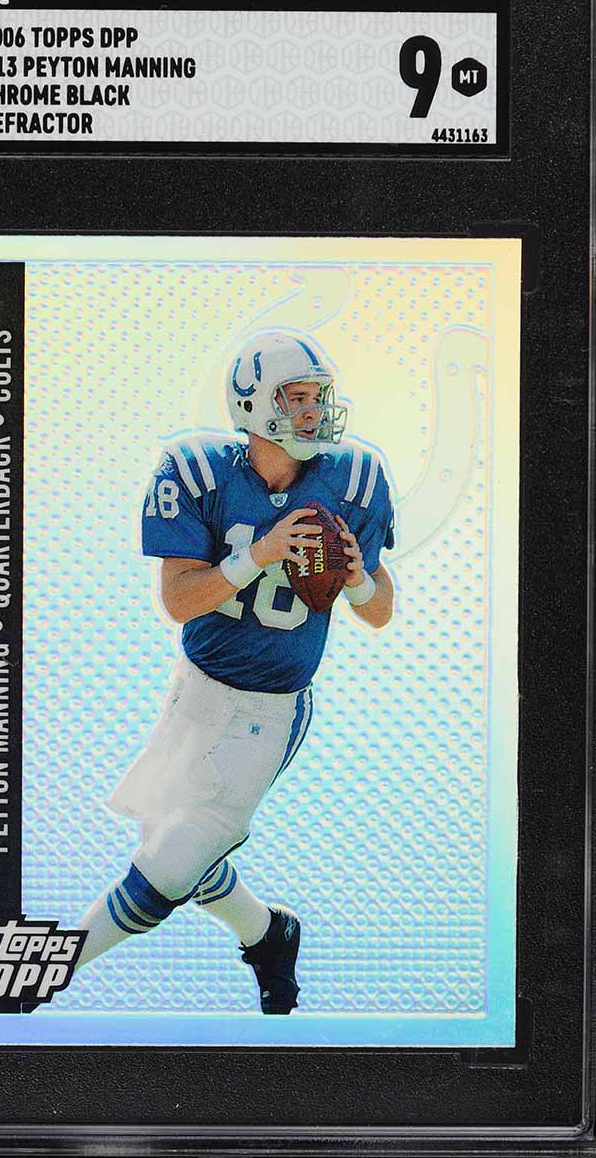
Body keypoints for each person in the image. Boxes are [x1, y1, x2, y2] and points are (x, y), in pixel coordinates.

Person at [75, 330, 395, 1013]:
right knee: (176, 848)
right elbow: (178, 601)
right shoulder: (198, 470)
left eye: (318, 398)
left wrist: (358, 579)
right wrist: (261, 554)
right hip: (193, 693)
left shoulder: (354, 479)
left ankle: (37, 977)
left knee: (167, 869)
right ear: (253, 404)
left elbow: (380, 611)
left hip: (270, 710)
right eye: (296, 398)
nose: (313, 412)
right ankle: (268, 933)